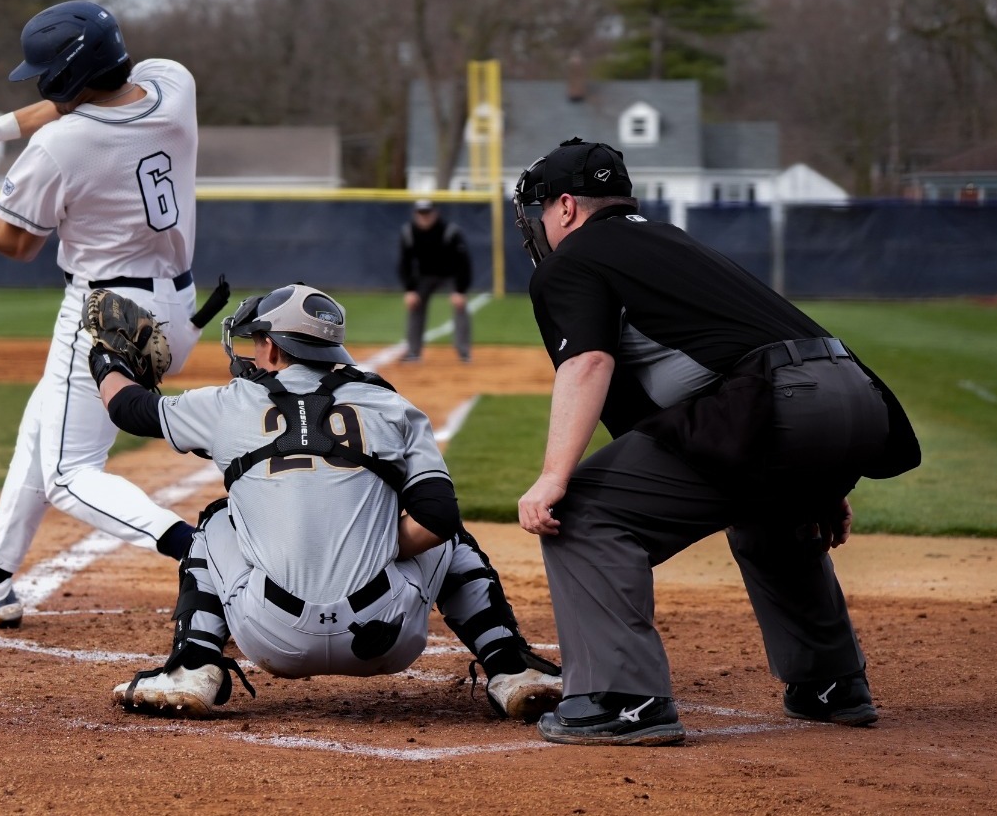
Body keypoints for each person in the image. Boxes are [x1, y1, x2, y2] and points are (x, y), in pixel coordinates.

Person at [511, 138, 920, 745]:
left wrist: (553, 477)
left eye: (542, 211)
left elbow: (589, 365)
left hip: (776, 404)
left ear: (566, 207)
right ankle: (831, 685)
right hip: (857, 397)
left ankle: (624, 700)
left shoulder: (574, 261)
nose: (541, 226)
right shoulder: (673, 241)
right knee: (770, 511)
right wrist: (821, 482)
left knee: (583, 512)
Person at [0, 0, 220, 629]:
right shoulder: (174, 84)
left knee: (69, 475)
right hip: (175, 307)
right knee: (40, 428)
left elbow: (18, 243)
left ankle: (201, 551)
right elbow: (87, 95)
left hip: (105, 313)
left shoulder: (62, 146)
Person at [87, 283, 562, 719]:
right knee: (452, 536)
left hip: (272, 637)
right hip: (387, 633)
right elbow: (437, 516)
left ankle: (194, 665)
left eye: (257, 339)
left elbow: (129, 409)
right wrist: (365, 544)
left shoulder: (229, 403)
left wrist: (104, 359)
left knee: (217, 523)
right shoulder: (392, 406)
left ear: (272, 345)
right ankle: (510, 666)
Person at [398, 198, 473, 363]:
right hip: (424, 276)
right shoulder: (409, 232)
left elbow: (463, 263)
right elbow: (405, 263)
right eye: (420, 214)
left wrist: (460, 290)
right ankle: (413, 352)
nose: (424, 217)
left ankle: (464, 352)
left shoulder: (450, 231)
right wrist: (409, 290)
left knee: (460, 305)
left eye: (427, 213)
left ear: (435, 213)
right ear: (415, 215)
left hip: (450, 275)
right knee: (414, 305)